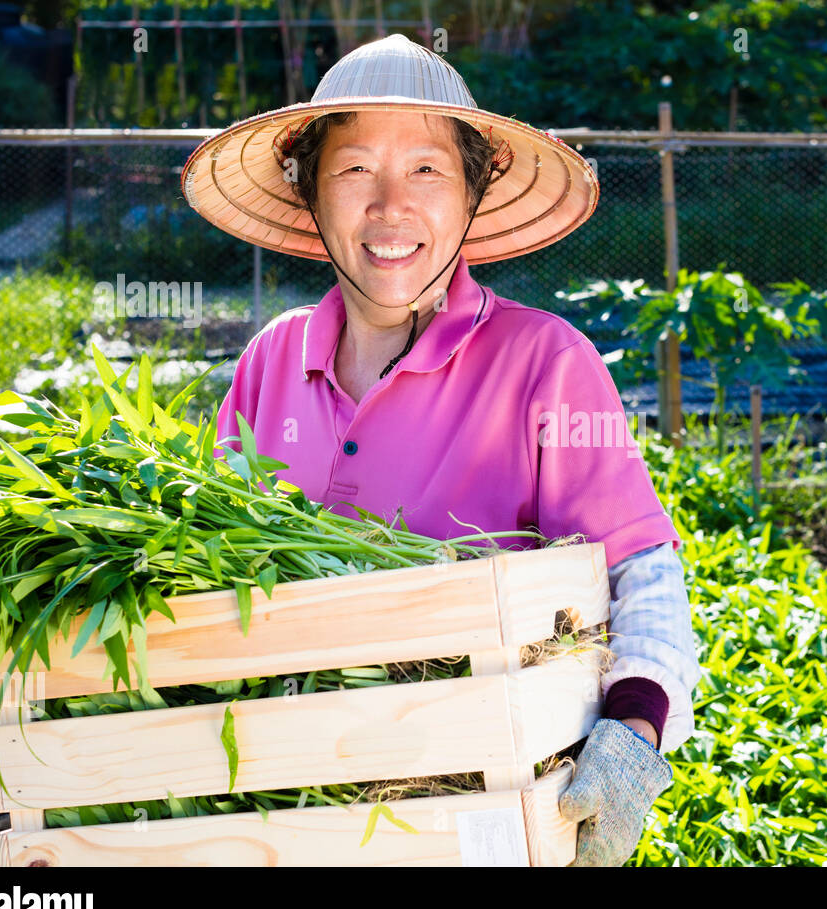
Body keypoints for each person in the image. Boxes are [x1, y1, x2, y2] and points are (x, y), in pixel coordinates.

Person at [182, 33, 702, 866]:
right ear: (311, 192)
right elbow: (207, 579)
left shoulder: (546, 363)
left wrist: (636, 729)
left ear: (472, 194)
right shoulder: (269, 362)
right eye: (354, 170)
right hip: (281, 808)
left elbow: (640, 565)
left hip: (475, 812)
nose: (391, 207)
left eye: (427, 170)